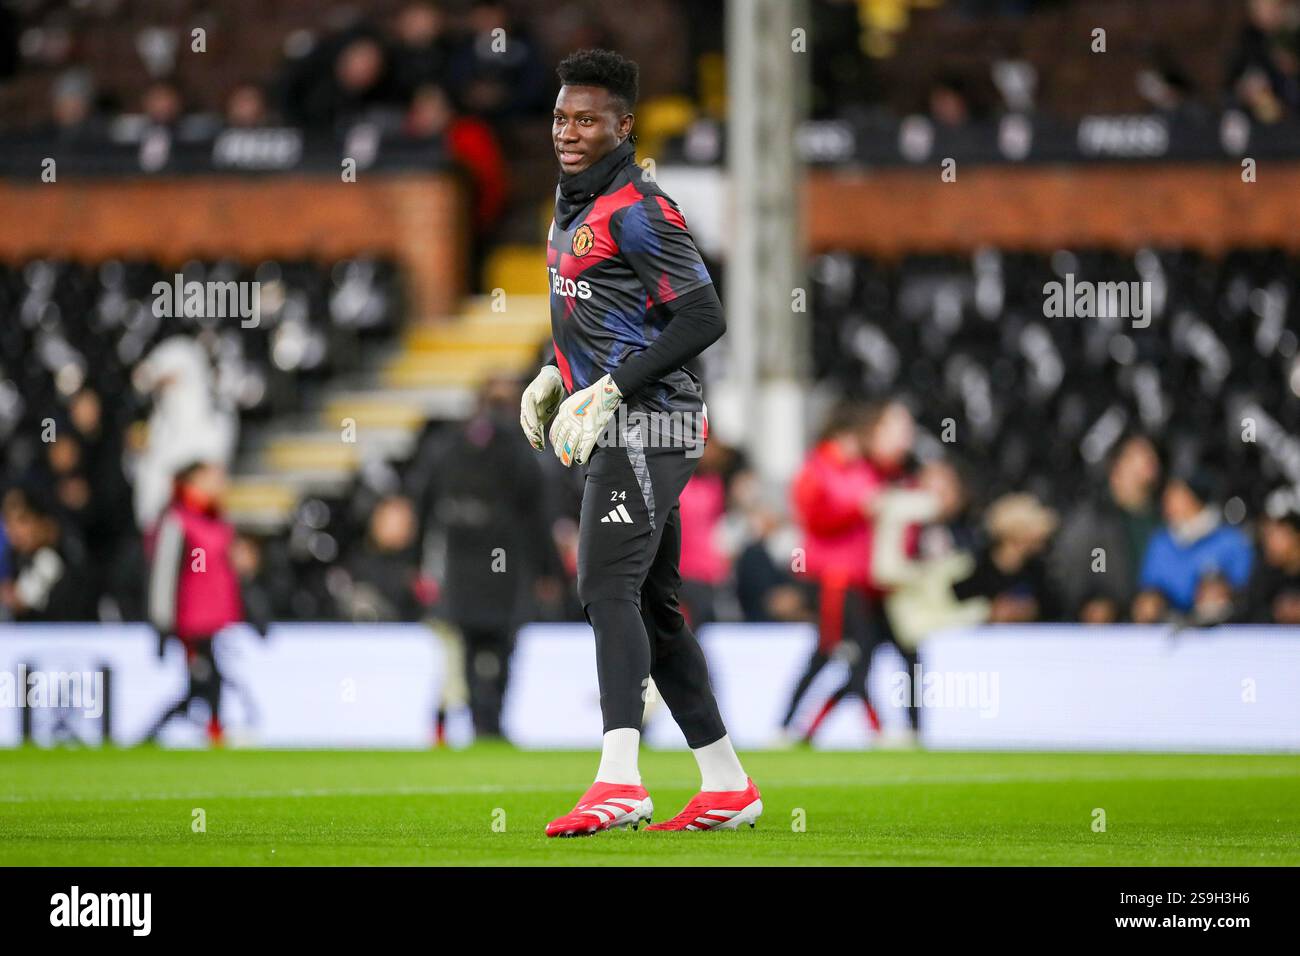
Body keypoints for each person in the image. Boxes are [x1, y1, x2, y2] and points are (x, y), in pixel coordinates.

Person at [518, 49, 759, 835]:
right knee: (654, 611)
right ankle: (727, 785)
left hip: (649, 423)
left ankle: (619, 777)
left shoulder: (640, 208)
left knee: (602, 587)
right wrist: (555, 373)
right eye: (560, 117)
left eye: (587, 119)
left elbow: (703, 317)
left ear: (624, 126)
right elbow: (594, 312)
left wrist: (613, 388)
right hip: (619, 419)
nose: (569, 131)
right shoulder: (570, 202)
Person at [798, 400, 916, 745]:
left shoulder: (861, 471)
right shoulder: (820, 468)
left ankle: (800, 727)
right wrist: (860, 507)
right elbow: (816, 516)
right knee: (842, 655)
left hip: (865, 583)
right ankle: (801, 727)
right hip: (835, 580)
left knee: (846, 657)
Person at [143, 462, 244, 745]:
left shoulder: (217, 520)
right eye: (210, 477)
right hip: (190, 622)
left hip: (215, 620)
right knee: (206, 680)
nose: (219, 483)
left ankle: (203, 731)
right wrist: (162, 623)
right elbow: (164, 574)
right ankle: (207, 732)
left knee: (205, 681)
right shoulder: (176, 520)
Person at [1048, 433, 1161, 622]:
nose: (1150, 461)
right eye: (1139, 455)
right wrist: (1097, 596)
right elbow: (1096, 561)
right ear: (1116, 466)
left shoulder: (1162, 516)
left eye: (1151, 455)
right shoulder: (1097, 519)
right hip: (1109, 625)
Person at [1134, 470, 1253, 619]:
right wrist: (1151, 601)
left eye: (1176, 494)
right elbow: (1149, 585)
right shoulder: (1160, 542)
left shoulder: (1231, 540)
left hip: (1224, 628)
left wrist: (1225, 593)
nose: (1167, 500)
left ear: (1195, 497)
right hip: (1169, 626)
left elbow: (1244, 589)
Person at [0, 485, 93, 623]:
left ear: (43, 522)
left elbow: (20, 602)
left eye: (22, 520)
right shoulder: (15, 558)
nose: (15, 531)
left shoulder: (60, 557)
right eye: (9, 522)